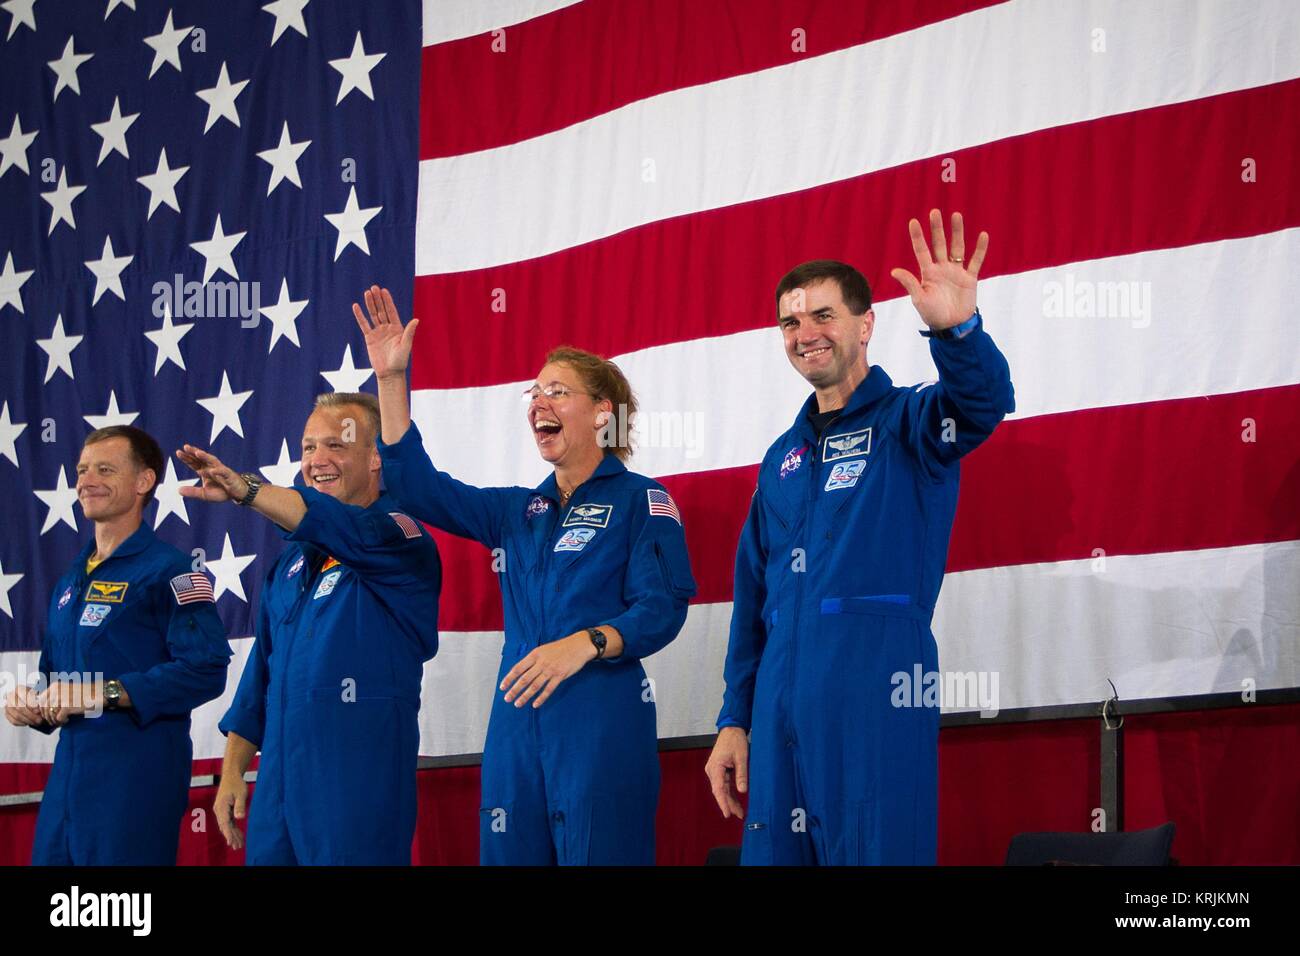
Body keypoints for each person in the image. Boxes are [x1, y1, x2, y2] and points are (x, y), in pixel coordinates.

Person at [704, 210, 1015, 865]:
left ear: (866, 323)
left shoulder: (911, 421)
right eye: (791, 322)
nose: (805, 334)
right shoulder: (780, 460)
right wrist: (735, 717)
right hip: (779, 706)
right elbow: (753, 597)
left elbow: (981, 405)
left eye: (823, 316)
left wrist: (956, 331)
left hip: (876, 687)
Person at [354, 285, 696, 865]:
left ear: (602, 413)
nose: (538, 402)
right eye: (533, 392)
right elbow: (417, 488)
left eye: (557, 391)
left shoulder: (644, 501)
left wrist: (585, 644)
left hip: (600, 717)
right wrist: (391, 381)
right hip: (516, 723)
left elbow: (661, 608)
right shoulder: (517, 511)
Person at [177, 392, 441, 865]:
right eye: (307, 448)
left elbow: (343, 529)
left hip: (357, 779)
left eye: (336, 445)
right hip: (279, 784)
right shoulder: (292, 563)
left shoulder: (401, 535)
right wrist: (234, 769)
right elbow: (261, 675)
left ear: (377, 457)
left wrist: (247, 490)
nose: (317, 461)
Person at [4, 426, 231, 865]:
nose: (86, 480)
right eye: (82, 470)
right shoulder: (70, 579)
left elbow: (206, 669)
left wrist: (102, 693)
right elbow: (58, 681)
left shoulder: (175, 571)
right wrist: (31, 704)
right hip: (68, 785)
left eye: (105, 470)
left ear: (144, 481)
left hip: (134, 783)